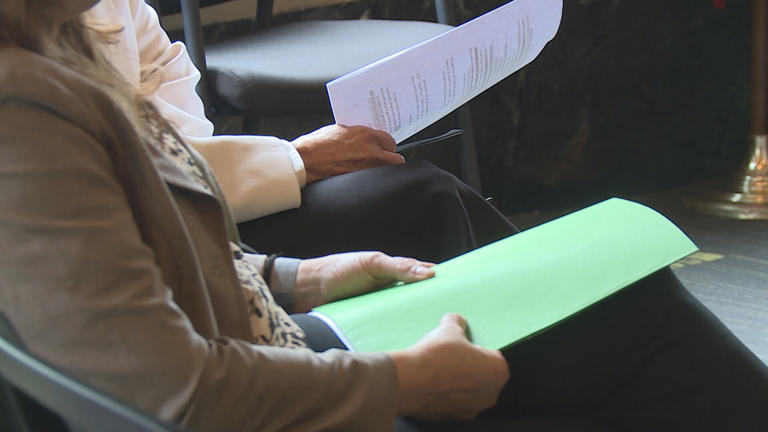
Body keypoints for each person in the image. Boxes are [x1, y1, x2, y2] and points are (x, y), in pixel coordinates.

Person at [1, 1, 767, 431]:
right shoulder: (25, 108)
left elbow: (147, 239)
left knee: (610, 303)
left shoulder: (54, 54)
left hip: (266, 329)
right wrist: (402, 383)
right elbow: (175, 396)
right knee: (634, 330)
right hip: (268, 385)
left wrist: (297, 276)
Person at [82, 0, 518, 264]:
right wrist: (297, 161)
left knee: (427, 193)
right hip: (139, 242)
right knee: (424, 195)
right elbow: (119, 180)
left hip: (199, 197)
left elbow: (171, 102)